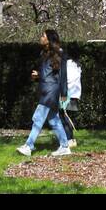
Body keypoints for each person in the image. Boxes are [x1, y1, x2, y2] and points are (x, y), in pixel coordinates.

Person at [16, 29, 71, 157]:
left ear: (49, 39)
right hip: (45, 89)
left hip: (51, 91)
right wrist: (39, 76)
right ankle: (64, 146)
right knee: (54, 120)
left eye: (43, 36)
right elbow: (48, 73)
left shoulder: (60, 53)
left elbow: (63, 75)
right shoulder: (44, 53)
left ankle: (29, 146)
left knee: (38, 117)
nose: (41, 38)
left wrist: (64, 93)